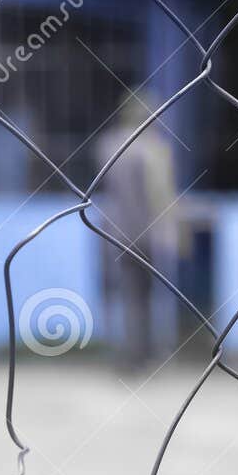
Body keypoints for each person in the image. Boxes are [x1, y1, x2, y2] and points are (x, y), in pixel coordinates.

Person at [92, 99, 181, 369]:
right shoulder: (154, 149)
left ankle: (125, 350)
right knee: (144, 294)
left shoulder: (108, 145)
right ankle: (143, 351)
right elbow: (160, 194)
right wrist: (171, 230)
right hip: (145, 232)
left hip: (114, 231)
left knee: (122, 291)